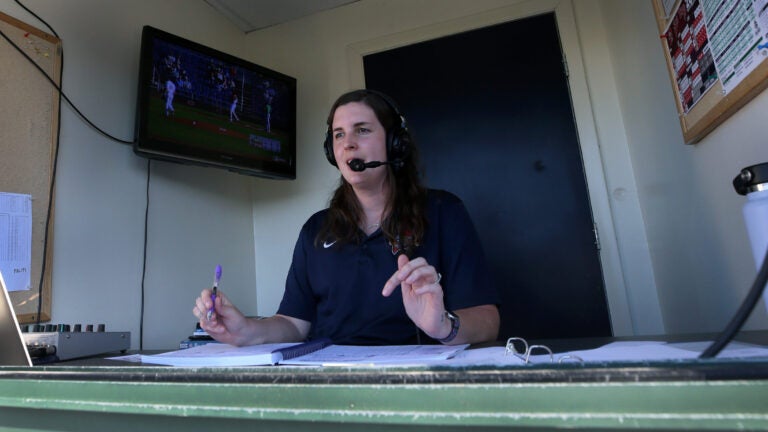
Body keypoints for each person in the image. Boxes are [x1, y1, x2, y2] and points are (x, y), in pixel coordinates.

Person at [193, 89, 500, 346]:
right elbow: (293, 323)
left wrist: (443, 325)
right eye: (339, 134)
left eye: (362, 130)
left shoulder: (444, 211)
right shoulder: (316, 229)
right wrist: (245, 330)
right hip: (331, 383)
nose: (347, 143)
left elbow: (488, 320)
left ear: (395, 143)